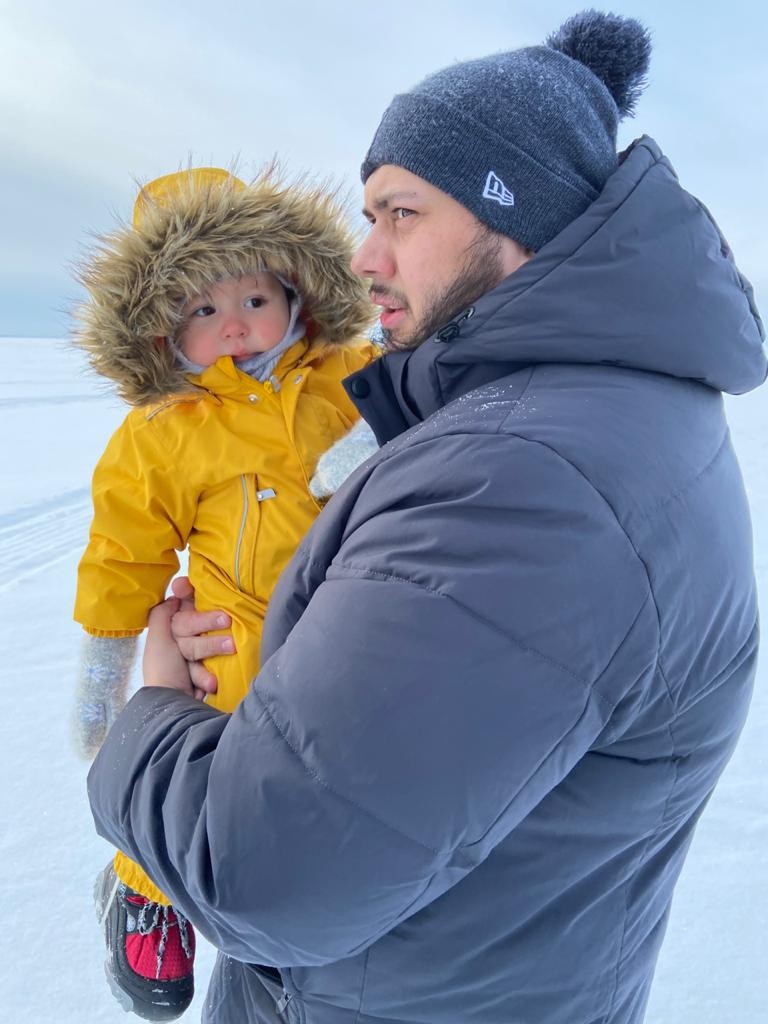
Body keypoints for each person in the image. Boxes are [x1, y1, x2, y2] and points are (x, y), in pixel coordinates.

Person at [88, 11, 767, 1024]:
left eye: (400, 212)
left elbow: (261, 870)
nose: (367, 257)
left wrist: (141, 721)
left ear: (514, 212)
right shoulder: (594, 404)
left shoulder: (528, 480)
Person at [72, 165, 375, 1020]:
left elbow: (420, 379)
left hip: (348, 613)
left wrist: (372, 432)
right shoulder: (162, 434)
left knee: (317, 776)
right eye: (202, 311)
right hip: (232, 626)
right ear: (164, 329)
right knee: (207, 761)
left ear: (295, 292)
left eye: (252, 298)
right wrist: (105, 663)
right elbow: (123, 551)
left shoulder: (345, 373)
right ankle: (146, 886)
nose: (234, 325)